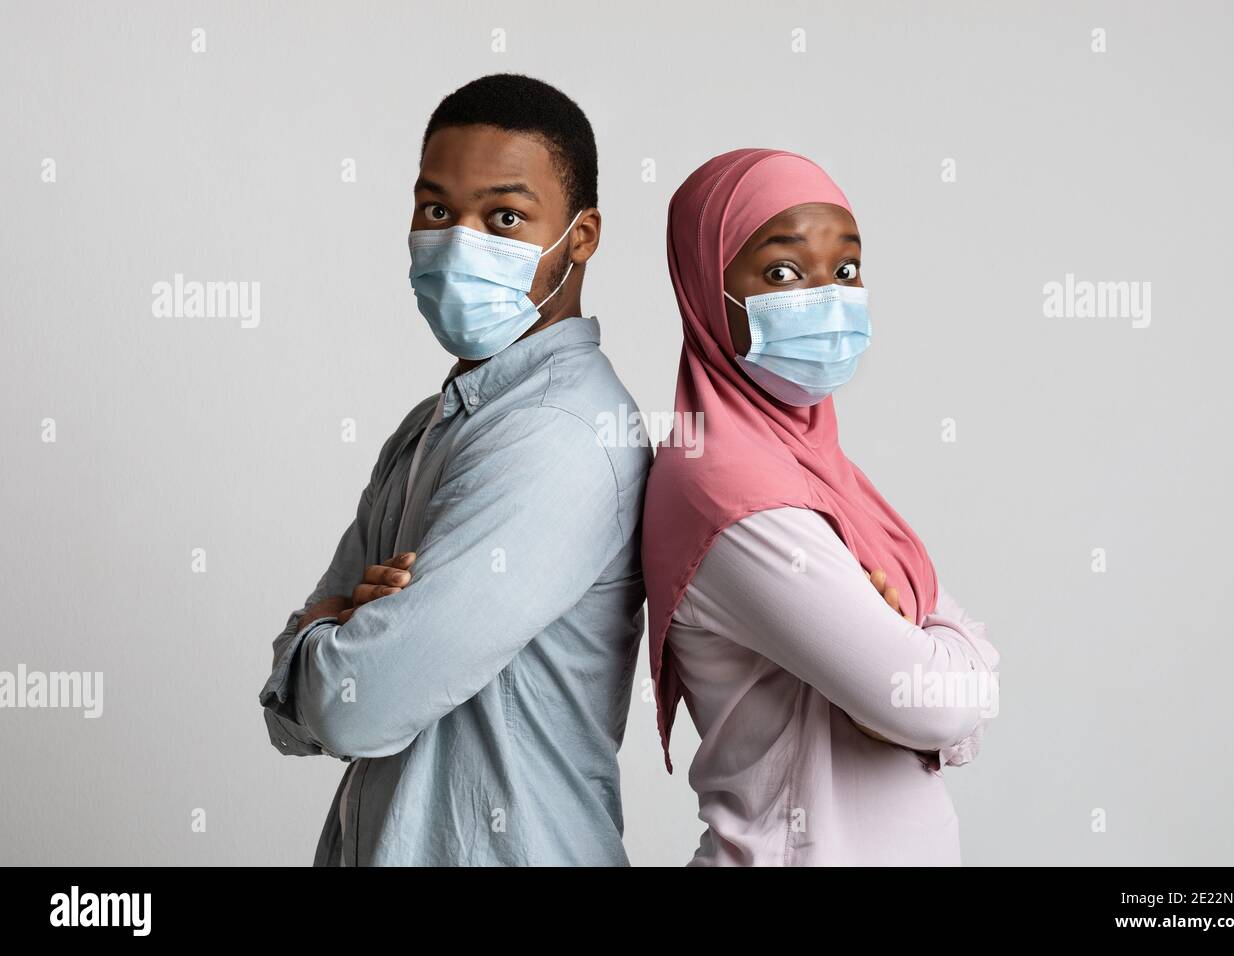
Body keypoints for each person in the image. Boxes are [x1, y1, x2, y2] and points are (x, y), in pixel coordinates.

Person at [258, 74, 651, 866]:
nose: (461, 239)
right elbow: (288, 714)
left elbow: (353, 708)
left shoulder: (561, 434)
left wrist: (325, 637)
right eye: (438, 211)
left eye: (505, 216)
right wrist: (331, 642)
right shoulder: (431, 426)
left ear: (582, 236)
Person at [642, 148, 1000, 866]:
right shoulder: (729, 489)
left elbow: (928, 682)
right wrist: (952, 660)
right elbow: (931, 700)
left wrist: (931, 652)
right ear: (707, 289)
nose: (827, 297)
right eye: (782, 272)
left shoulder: (815, 470)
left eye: (845, 271)